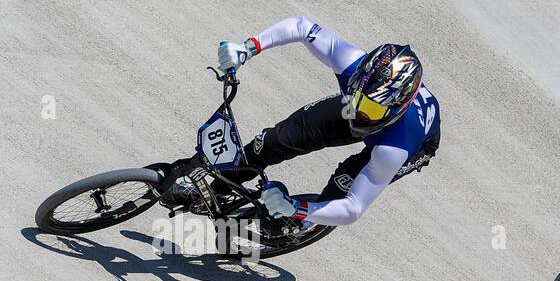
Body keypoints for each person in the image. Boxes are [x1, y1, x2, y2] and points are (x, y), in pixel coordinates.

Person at [168, 16, 440, 227]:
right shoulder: (353, 69)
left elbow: (353, 209)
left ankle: (299, 226)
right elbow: (301, 27)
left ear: (396, 108)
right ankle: (216, 191)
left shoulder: (394, 149)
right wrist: (247, 49)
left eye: (368, 109)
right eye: (355, 97)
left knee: (341, 187)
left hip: (410, 141)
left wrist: (295, 209)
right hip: (378, 110)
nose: (357, 113)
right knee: (274, 142)